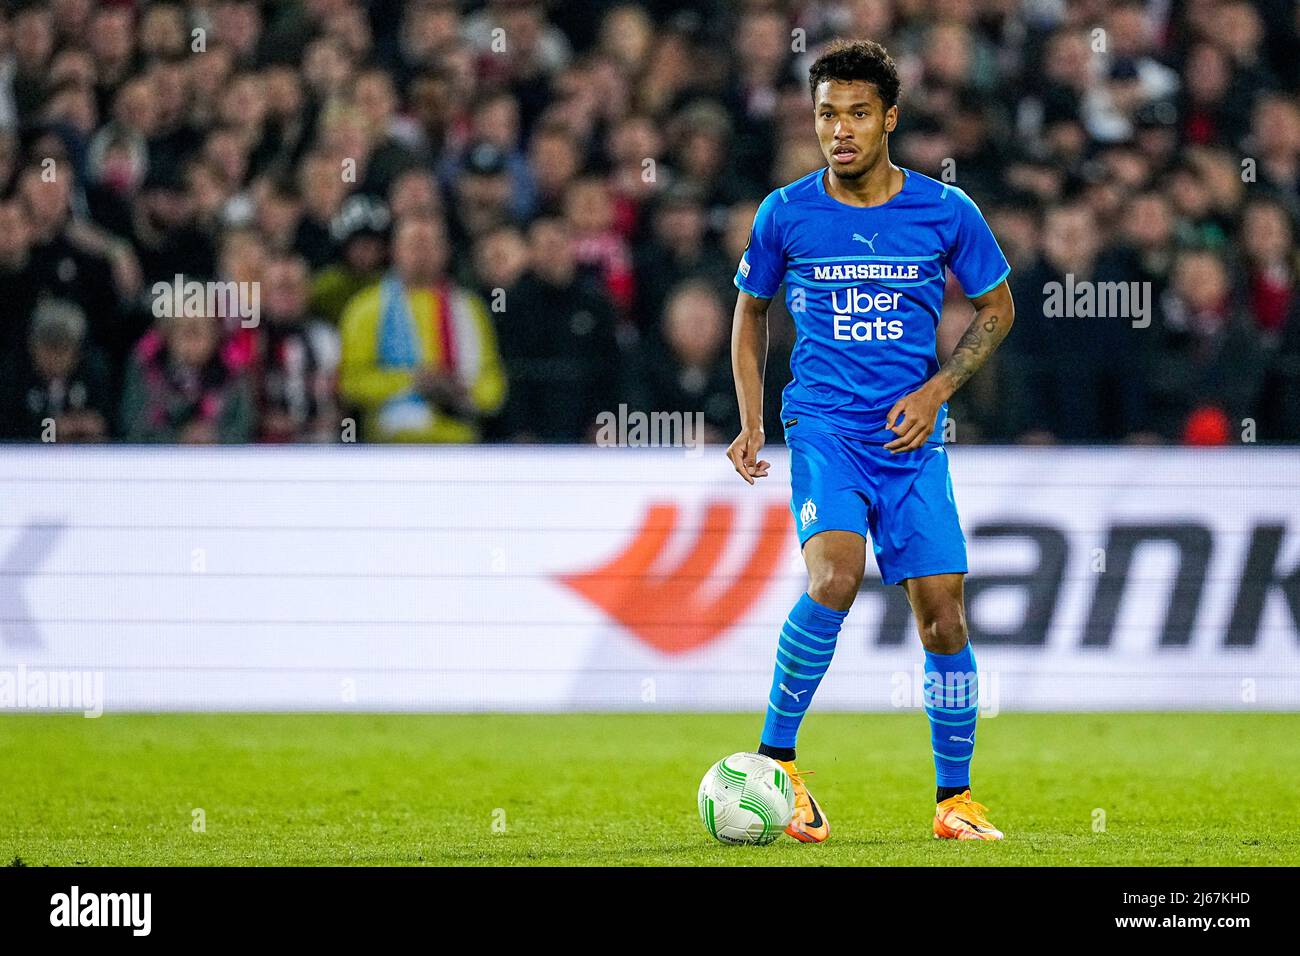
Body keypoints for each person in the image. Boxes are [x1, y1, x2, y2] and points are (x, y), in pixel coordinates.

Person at [727, 41, 1015, 843]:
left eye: (857, 114)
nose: (839, 130)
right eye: (826, 115)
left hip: (912, 438)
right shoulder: (785, 212)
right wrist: (751, 420)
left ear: (890, 118)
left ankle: (953, 803)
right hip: (824, 428)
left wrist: (938, 389)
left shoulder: (945, 211)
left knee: (944, 619)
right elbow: (750, 314)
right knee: (834, 576)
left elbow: (997, 307)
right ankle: (778, 768)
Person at [338, 215, 505, 443]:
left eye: (431, 244)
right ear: (394, 250)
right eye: (414, 244)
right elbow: (350, 383)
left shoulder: (469, 308)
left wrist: (464, 393)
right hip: (390, 450)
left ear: (445, 251)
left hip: (461, 447)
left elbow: (493, 384)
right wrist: (412, 382)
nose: (422, 253)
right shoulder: (366, 309)